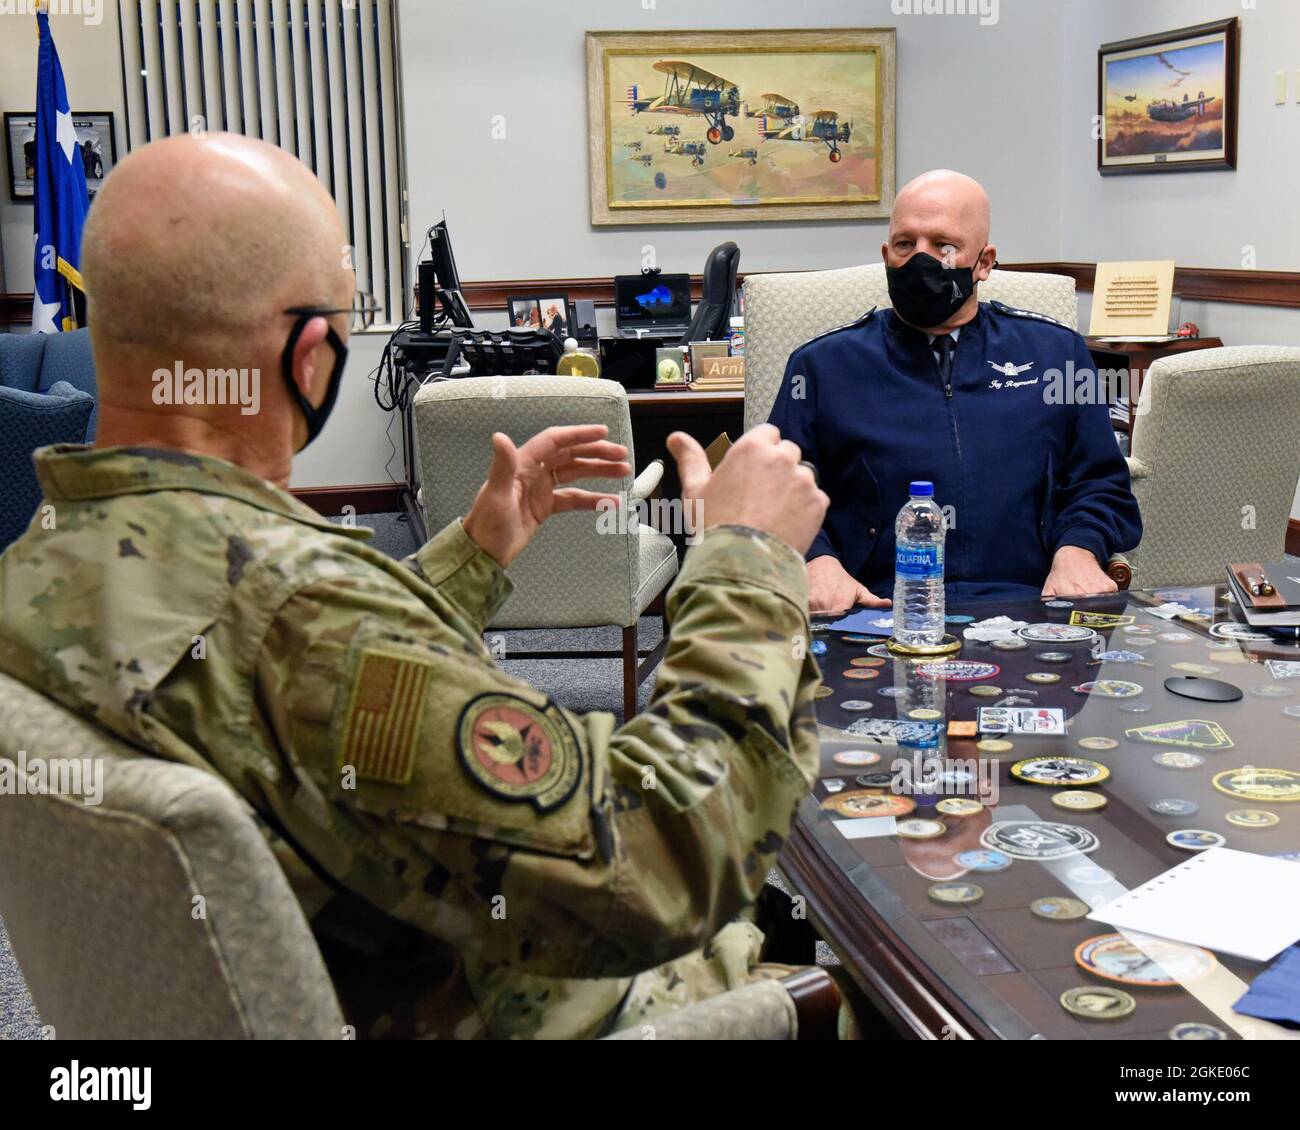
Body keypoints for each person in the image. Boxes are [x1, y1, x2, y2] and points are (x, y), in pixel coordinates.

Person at [0, 133, 832, 1039]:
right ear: (309, 357)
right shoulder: (308, 616)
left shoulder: (41, 559)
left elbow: (295, 681)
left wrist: (477, 551)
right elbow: (656, 865)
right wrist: (747, 557)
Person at [768, 169, 1142, 612]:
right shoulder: (821, 366)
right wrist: (816, 560)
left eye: (943, 246)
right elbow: (775, 492)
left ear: (984, 263)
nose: (920, 260)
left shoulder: (1055, 353)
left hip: (1030, 602)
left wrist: (1079, 548)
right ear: (886, 256)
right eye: (905, 244)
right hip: (873, 606)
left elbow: (1102, 484)